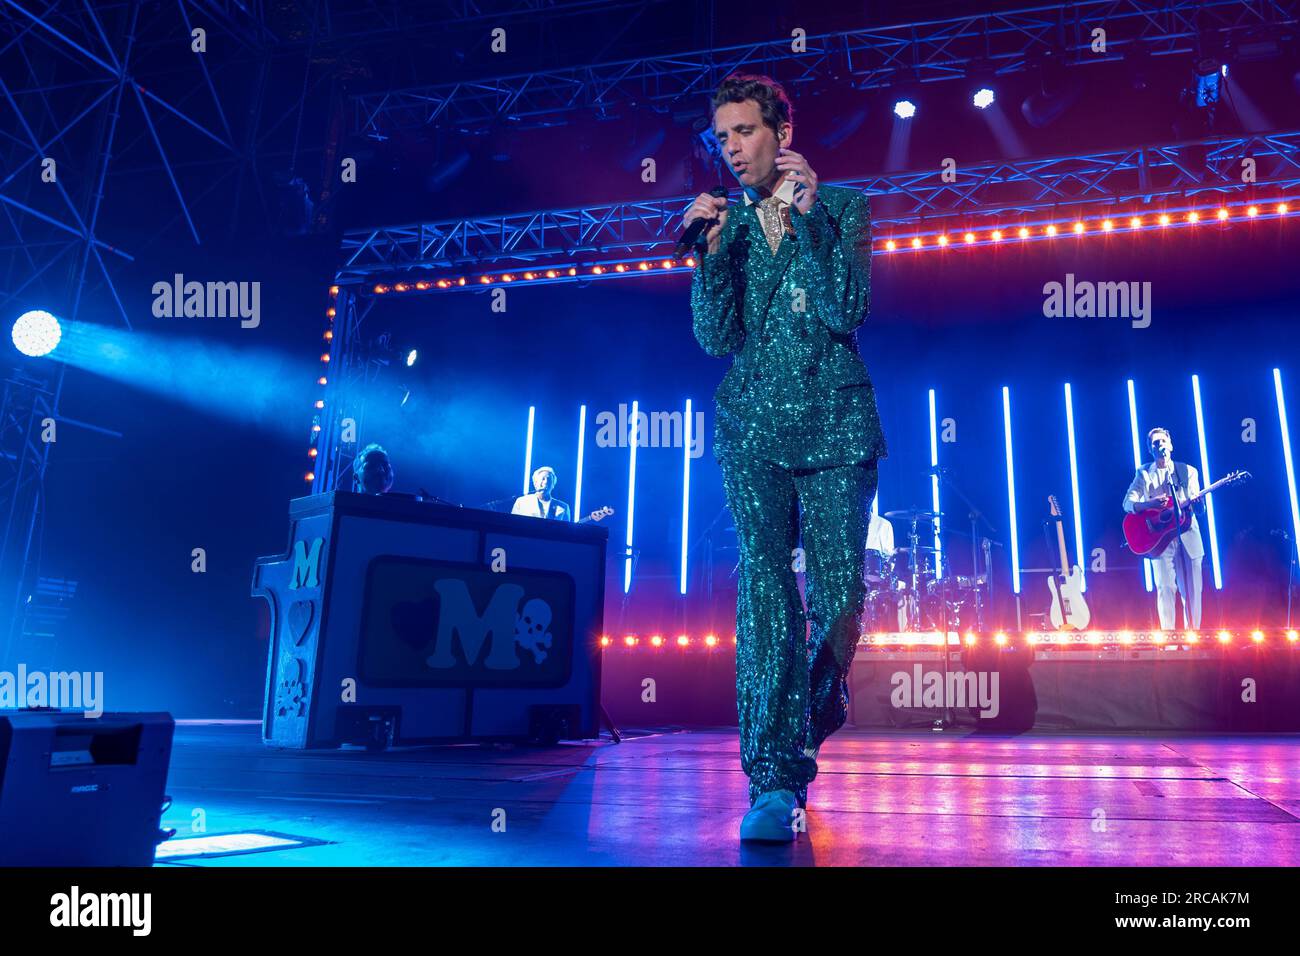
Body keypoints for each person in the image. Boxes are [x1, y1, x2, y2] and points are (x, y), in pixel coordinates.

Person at [687, 73, 888, 841]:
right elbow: (717, 339)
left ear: (781, 130)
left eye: (744, 131)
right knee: (767, 589)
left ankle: (802, 720)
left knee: (841, 600)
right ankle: (773, 779)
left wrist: (808, 222)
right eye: (723, 137)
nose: (732, 148)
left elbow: (847, 309)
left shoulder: (842, 208)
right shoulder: (728, 227)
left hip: (836, 425)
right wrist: (706, 261)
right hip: (752, 431)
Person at [1123, 427, 1205, 629]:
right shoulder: (1144, 473)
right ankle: (1168, 640)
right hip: (1158, 539)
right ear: (1150, 450)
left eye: (1163, 441)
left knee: (1193, 589)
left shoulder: (1188, 471)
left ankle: (1192, 640)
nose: (1160, 445)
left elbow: (1199, 508)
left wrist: (1198, 503)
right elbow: (1127, 503)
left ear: (1171, 445)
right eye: (1155, 443)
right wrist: (1148, 505)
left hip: (1187, 533)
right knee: (1165, 587)